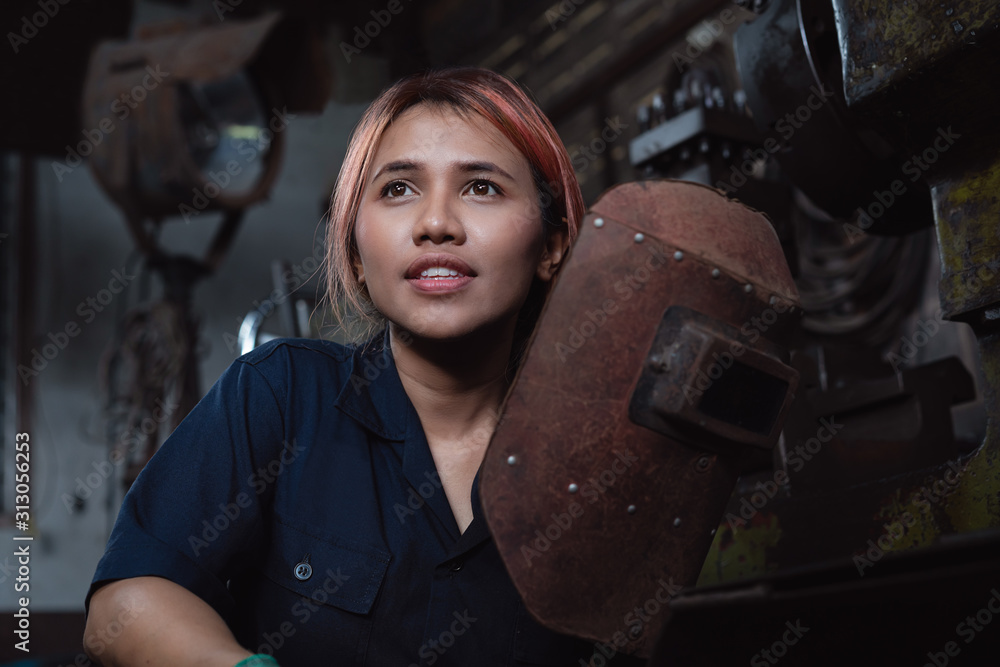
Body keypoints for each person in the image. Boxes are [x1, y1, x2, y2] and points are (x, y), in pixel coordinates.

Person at [84, 67, 641, 666]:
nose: (436, 224)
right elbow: (124, 607)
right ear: (354, 251)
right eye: (398, 189)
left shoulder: (594, 463)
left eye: (482, 187)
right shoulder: (280, 395)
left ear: (552, 245)